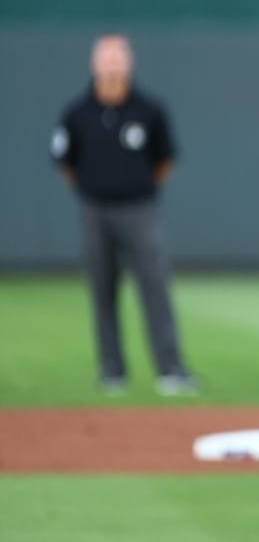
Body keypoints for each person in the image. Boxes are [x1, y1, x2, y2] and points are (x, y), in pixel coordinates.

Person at [51, 34, 197, 396]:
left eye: (118, 57)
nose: (112, 63)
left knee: (154, 287)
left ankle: (170, 370)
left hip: (139, 209)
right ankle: (112, 371)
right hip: (95, 209)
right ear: (93, 64)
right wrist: (91, 189)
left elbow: (165, 160)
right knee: (102, 289)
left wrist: (140, 188)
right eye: (106, 57)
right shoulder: (77, 112)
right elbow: (65, 162)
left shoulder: (149, 110)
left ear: (129, 62)